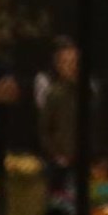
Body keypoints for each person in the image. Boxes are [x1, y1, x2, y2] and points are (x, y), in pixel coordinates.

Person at [37, 37, 83, 190]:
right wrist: (56, 155)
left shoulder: (88, 92)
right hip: (59, 162)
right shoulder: (54, 94)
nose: (72, 67)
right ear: (58, 65)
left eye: (75, 62)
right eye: (66, 62)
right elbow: (45, 129)